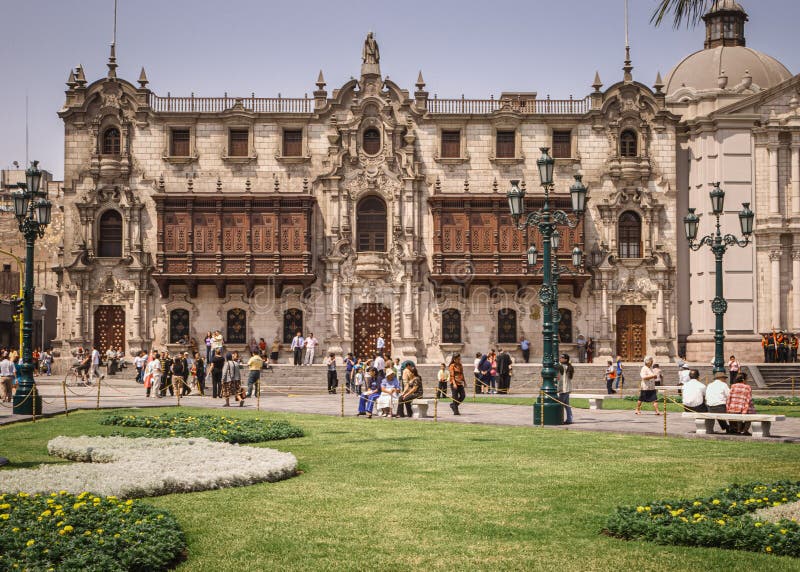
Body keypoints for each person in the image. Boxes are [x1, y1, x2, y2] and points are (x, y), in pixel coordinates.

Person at [557, 353, 574, 424]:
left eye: (562, 358)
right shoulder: (568, 366)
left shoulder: (563, 366)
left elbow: (558, 366)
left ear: (566, 359)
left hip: (564, 389)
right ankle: (569, 419)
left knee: (560, 405)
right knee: (567, 405)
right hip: (567, 388)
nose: (560, 359)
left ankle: (559, 419)